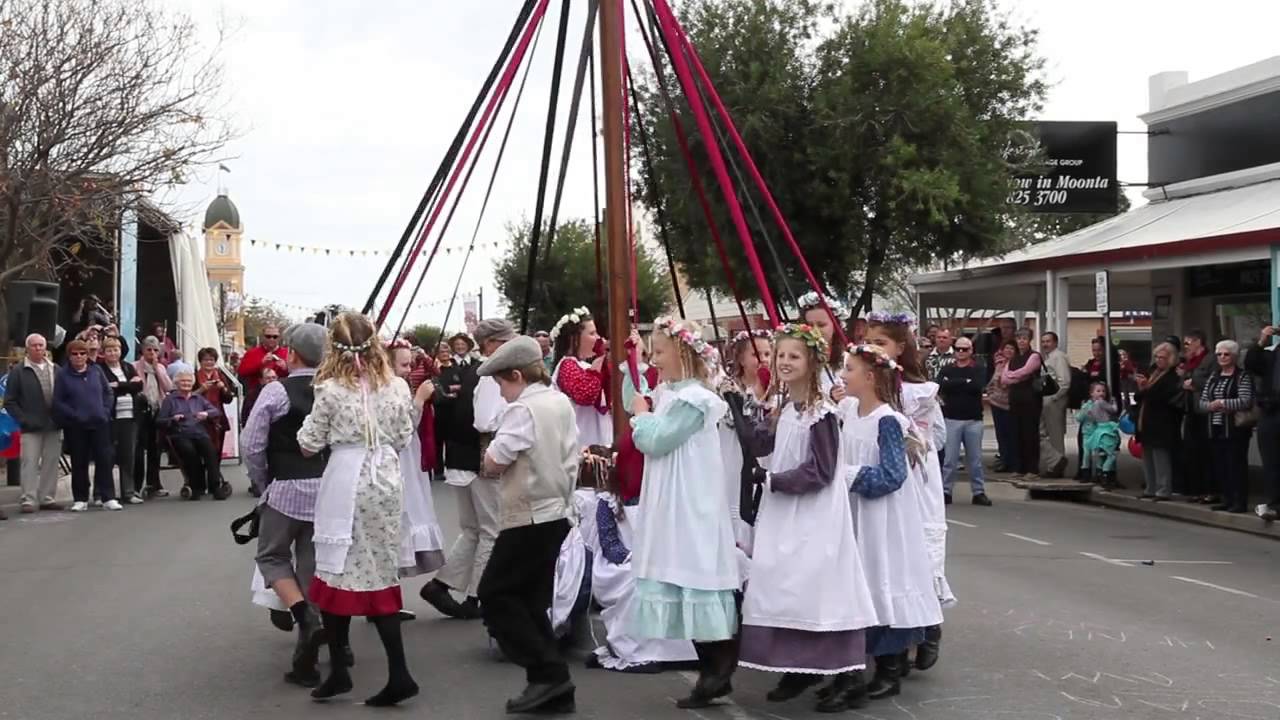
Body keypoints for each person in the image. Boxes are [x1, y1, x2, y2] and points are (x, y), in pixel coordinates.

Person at [737, 324, 875, 712]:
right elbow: (765, 444)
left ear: (812, 361)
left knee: (821, 588)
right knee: (788, 585)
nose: (784, 362)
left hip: (814, 516)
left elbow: (821, 471)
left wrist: (772, 479)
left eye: (794, 356)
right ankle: (802, 666)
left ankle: (851, 677)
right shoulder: (787, 408)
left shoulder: (821, 414)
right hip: (785, 512)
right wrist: (743, 414)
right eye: (780, 355)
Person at [302, 312, 419, 707]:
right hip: (385, 477)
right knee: (378, 569)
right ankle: (384, 670)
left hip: (347, 478)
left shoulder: (330, 389)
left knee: (335, 568)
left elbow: (309, 441)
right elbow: (405, 435)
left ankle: (344, 668)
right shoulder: (398, 386)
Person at [628, 317, 741, 709]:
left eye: (659, 352)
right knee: (681, 574)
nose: (653, 360)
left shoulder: (695, 397)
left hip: (691, 499)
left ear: (683, 352)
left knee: (697, 573)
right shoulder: (671, 393)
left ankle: (718, 668)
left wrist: (640, 416)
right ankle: (713, 669)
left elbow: (656, 440)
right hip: (673, 498)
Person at [472, 336, 580, 713]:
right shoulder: (559, 401)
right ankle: (549, 682)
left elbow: (496, 460)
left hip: (528, 514)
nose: (501, 393)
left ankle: (548, 671)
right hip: (557, 512)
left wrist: (488, 457)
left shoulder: (524, 411)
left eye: (502, 383)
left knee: (496, 594)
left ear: (517, 375)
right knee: (531, 600)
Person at [838, 344, 943, 703]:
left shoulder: (888, 420)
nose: (842, 375)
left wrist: (846, 476)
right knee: (862, 583)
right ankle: (858, 664)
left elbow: (893, 475)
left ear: (869, 378)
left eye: (849, 369)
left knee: (884, 581)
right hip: (856, 514)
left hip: (883, 520)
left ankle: (890, 667)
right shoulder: (849, 410)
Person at [242, 323, 332, 688]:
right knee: (312, 565)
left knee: (272, 556)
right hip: (326, 488)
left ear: (291, 353)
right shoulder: (333, 392)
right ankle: (308, 648)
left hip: (285, 486)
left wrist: (263, 482)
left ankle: (301, 616)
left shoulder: (275, 391)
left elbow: (251, 444)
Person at [865, 311, 951, 673]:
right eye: (870, 341)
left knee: (919, 553)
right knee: (887, 555)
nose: (874, 348)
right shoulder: (863, 383)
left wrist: (915, 438)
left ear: (901, 348)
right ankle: (891, 638)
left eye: (881, 343)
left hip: (915, 478)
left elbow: (938, 437)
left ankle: (927, 628)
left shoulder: (918, 391)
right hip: (883, 475)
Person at [419, 320, 512, 620]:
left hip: (464, 458)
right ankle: (478, 596)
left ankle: (441, 584)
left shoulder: (478, 372)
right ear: (490, 344)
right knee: (490, 530)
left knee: (474, 529)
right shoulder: (487, 376)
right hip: (478, 459)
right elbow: (485, 421)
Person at [582, 451, 698, 673]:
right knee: (638, 581)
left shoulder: (658, 499)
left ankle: (671, 651)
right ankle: (633, 647)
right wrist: (635, 558)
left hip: (651, 559)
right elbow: (609, 544)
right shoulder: (608, 502)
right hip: (618, 566)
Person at [388, 341, 446, 580]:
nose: (408, 370)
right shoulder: (391, 388)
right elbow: (401, 429)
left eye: (410, 364)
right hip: (398, 458)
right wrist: (419, 400)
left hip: (409, 455)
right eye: (403, 364)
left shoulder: (399, 385)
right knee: (402, 513)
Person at [52, 340, 118, 512]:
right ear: (69, 355)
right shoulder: (63, 375)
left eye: (82, 353)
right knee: (79, 461)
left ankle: (108, 497)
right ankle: (80, 498)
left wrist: (105, 411)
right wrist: (74, 415)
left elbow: (108, 393)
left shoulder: (96, 371)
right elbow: (58, 402)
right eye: (75, 353)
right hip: (76, 426)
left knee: (104, 461)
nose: (79, 357)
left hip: (99, 423)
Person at [5, 334, 64, 513]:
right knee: (29, 463)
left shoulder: (56, 369)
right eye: (34, 345)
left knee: (51, 462)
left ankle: (47, 498)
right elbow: (10, 401)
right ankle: (28, 499)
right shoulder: (18, 371)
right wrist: (24, 419)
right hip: (30, 427)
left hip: (53, 424)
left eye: (41, 345)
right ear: (27, 348)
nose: (38, 348)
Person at [1198, 340, 1255, 513]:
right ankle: (1227, 498)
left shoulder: (1242, 376)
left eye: (1226, 354)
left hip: (1235, 429)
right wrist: (1211, 406)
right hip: (1215, 426)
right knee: (1221, 465)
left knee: (1236, 466)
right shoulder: (1214, 376)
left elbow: (1246, 400)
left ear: (1234, 356)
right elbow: (1202, 402)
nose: (1222, 357)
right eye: (1219, 354)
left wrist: (1223, 402)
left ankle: (1239, 501)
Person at [158, 368, 226, 501]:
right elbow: (160, 420)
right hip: (180, 433)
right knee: (190, 453)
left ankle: (215, 487)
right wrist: (173, 419)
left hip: (199, 432)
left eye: (189, 381)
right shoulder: (170, 400)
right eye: (183, 381)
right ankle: (197, 487)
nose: (186, 384)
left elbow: (216, 411)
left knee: (211, 453)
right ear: (177, 383)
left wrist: (206, 414)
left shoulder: (198, 398)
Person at [937, 336, 990, 505]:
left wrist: (954, 384)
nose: (961, 352)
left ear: (971, 350)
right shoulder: (947, 369)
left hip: (974, 419)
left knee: (975, 460)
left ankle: (978, 492)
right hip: (952, 418)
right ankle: (946, 491)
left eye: (964, 349)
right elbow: (941, 386)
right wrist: (963, 382)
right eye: (958, 349)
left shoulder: (979, 368)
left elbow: (977, 386)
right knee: (949, 460)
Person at [550, 307, 612, 448]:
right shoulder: (567, 365)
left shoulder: (582, 365)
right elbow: (584, 394)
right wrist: (598, 365)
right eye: (592, 333)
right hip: (580, 447)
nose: (598, 338)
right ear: (574, 338)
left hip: (594, 442)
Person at [1134, 342, 1182, 500]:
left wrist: (1146, 389)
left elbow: (1159, 397)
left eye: (1163, 357)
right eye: (1157, 357)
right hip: (1147, 420)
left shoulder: (1172, 377)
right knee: (1147, 455)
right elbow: (1140, 396)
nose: (1159, 360)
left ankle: (1163, 489)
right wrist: (1143, 387)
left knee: (1160, 457)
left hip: (1162, 422)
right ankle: (1150, 487)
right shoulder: (1153, 373)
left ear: (1171, 359)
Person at [100, 337, 145, 504]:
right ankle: (102, 494)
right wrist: (126, 385)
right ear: (103, 353)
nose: (113, 353)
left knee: (128, 455)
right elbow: (104, 389)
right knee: (107, 456)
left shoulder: (128, 367)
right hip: (110, 417)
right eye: (109, 350)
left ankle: (129, 492)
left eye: (116, 350)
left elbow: (138, 386)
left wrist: (118, 385)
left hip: (130, 416)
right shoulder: (100, 369)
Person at [1244, 325, 1280, 520]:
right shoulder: (1272, 355)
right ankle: (1274, 504)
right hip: (1270, 411)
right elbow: (1251, 363)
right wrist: (1261, 341)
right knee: (1271, 460)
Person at [133, 337, 172, 498]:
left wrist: (157, 369)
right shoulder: (135, 366)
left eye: (155, 350)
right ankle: (135, 485)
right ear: (143, 350)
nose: (152, 353)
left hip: (157, 410)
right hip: (142, 411)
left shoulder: (161, 367)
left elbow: (169, 387)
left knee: (155, 450)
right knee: (139, 449)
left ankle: (154, 484)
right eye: (149, 349)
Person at [1002, 328, 1043, 481]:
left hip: (1031, 400)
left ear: (1030, 340)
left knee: (1030, 434)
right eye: (1019, 338)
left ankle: (1033, 469)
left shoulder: (1034, 356)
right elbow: (1004, 379)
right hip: (1015, 399)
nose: (1021, 341)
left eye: (1024, 338)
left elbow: (1026, 371)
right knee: (1016, 433)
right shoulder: (1013, 358)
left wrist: (1013, 376)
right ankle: (1019, 468)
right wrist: (1016, 377)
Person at [1179, 330, 1215, 502]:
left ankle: (1208, 490)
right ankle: (1195, 489)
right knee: (1191, 451)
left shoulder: (1209, 359)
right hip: (1190, 409)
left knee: (1206, 452)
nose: (1186, 347)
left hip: (1204, 410)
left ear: (1198, 342)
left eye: (1188, 343)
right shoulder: (1189, 361)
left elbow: (1213, 380)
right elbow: (1183, 382)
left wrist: (1194, 384)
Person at [797, 290, 850, 401]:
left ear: (835, 327)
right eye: (810, 325)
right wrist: (829, 398)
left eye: (821, 325)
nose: (815, 330)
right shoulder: (799, 361)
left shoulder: (849, 359)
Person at [1038, 331, 1072, 478]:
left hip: (1054, 400)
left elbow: (1065, 381)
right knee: (1043, 433)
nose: (1045, 344)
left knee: (1055, 434)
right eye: (1043, 341)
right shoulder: (1049, 358)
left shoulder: (1058, 357)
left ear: (1055, 343)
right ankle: (1055, 462)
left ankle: (1057, 467)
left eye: (1048, 341)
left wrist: (1054, 398)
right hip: (1047, 399)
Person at [238, 324, 289, 417]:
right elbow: (242, 372)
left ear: (279, 338)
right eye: (268, 336)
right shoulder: (252, 353)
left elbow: (296, 374)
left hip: (281, 398)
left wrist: (286, 368)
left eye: (275, 337)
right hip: (256, 398)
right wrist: (261, 363)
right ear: (263, 337)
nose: (272, 339)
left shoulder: (287, 353)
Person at [1075, 383, 1120, 487]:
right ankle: (1086, 473)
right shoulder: (1087, 405)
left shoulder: (1103, 404)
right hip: (1087, 433)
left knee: (1100, 453)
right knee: (1086, 453)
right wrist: (1085, 412)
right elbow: (1079, 418)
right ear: (1091, 393)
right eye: (1098, 391)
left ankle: (1099, 473)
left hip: (1098, 432)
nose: (1101, 393)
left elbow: (1109, 413)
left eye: (1103, 391)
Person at [985, 339, 1019, 475]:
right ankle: (1004, 461)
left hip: (1010, 405)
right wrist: (990, 390)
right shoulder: (999, 364)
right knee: (1001, 435)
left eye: (1011, 348)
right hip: (996, 403)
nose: (1008, 351)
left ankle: (1013, 463)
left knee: (1012, 435)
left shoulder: (1017, 365)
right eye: (1006, 348)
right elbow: (994, 380)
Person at [196, 348, 236, 458]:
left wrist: (223, 388)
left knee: (217, 451)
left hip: (218, 418)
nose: (209, 362)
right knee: (202, 451)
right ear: (200, 361)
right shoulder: (195, 376)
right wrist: (201, 390)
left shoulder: (221, 377)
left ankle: (214, 472)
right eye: (205, 360)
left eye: (211, 360)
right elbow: (189, 397)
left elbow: (228, 399)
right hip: (199, 418)